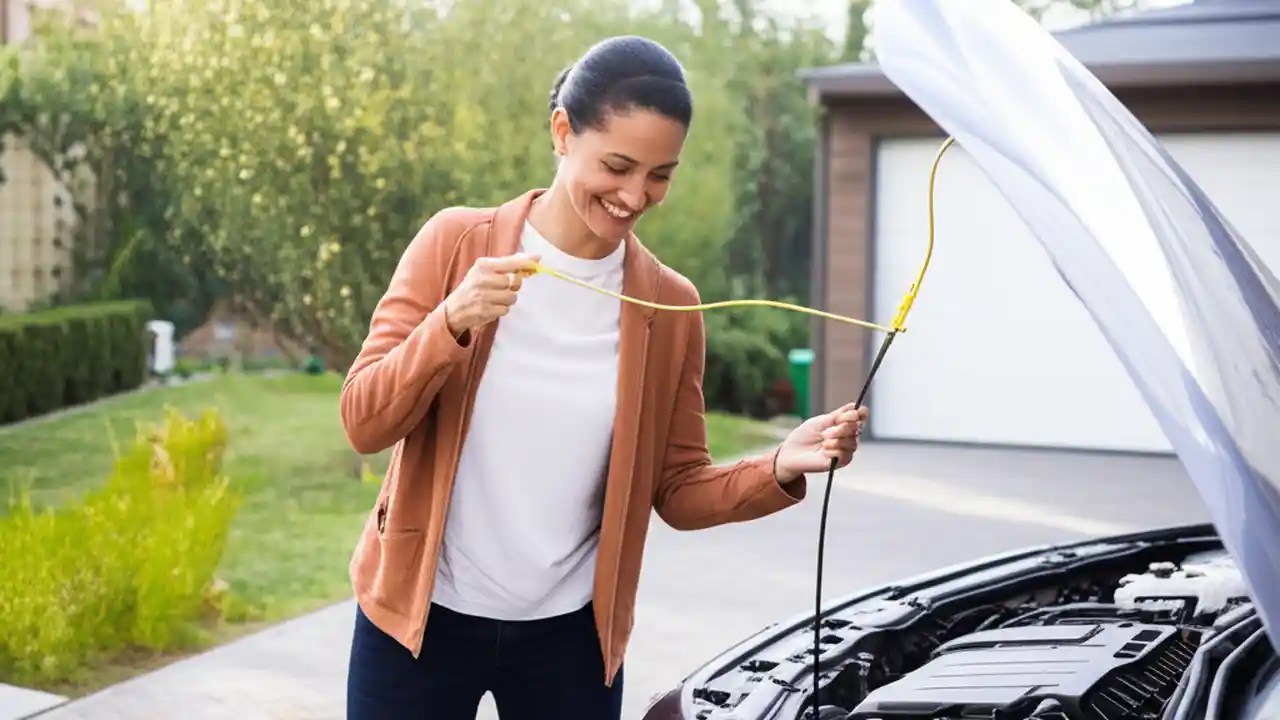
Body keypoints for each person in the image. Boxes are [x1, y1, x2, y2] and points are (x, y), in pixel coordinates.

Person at [341, 34, 869, 720]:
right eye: (617, 165)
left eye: (659, 175)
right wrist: (451, 323)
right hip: (416, 623)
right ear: (563, 131)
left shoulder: (670, 305)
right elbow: (363, 421)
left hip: (569, 643)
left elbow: (678, 490)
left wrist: (780, 465)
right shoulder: (456, 246)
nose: (634, 195)